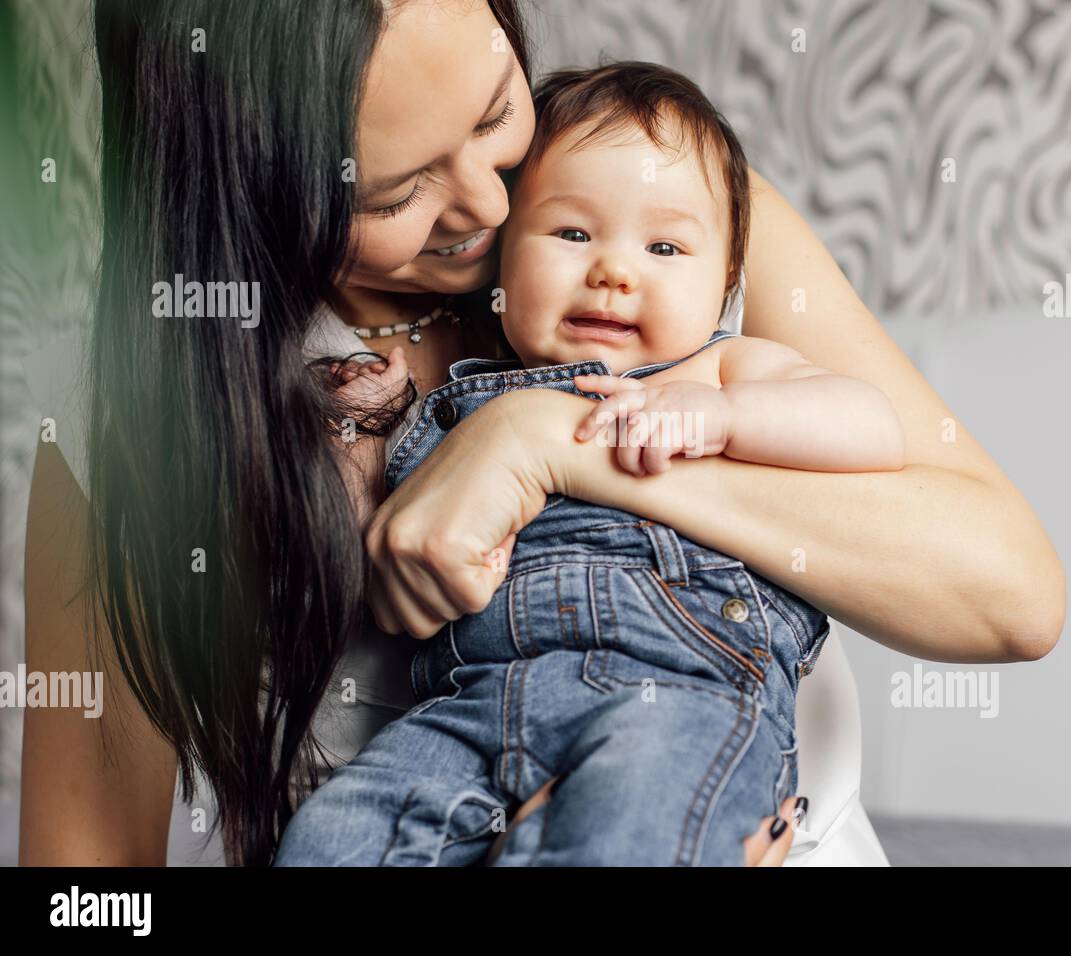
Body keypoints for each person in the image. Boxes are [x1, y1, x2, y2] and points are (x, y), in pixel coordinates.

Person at [21, 0, 1064, 868]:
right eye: (397, 189)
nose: (486, 202)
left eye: (493, 112)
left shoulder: (664, 209)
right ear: (248, 178)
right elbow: (87, 870)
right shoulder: (142, 406)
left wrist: (551, 441)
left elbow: (1009, 592)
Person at [273, 61, 907, 866]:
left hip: (681, 693)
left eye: (666, 246)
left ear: (726, 287)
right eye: (571, 234)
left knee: (624, 833)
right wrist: (364, 429)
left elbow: (872, 427)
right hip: (477, 705)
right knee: (334, 837)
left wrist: (725, 416)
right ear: (501, 263)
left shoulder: (716, 369)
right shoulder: (462, 397)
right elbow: (391, 566)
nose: (613, 269)